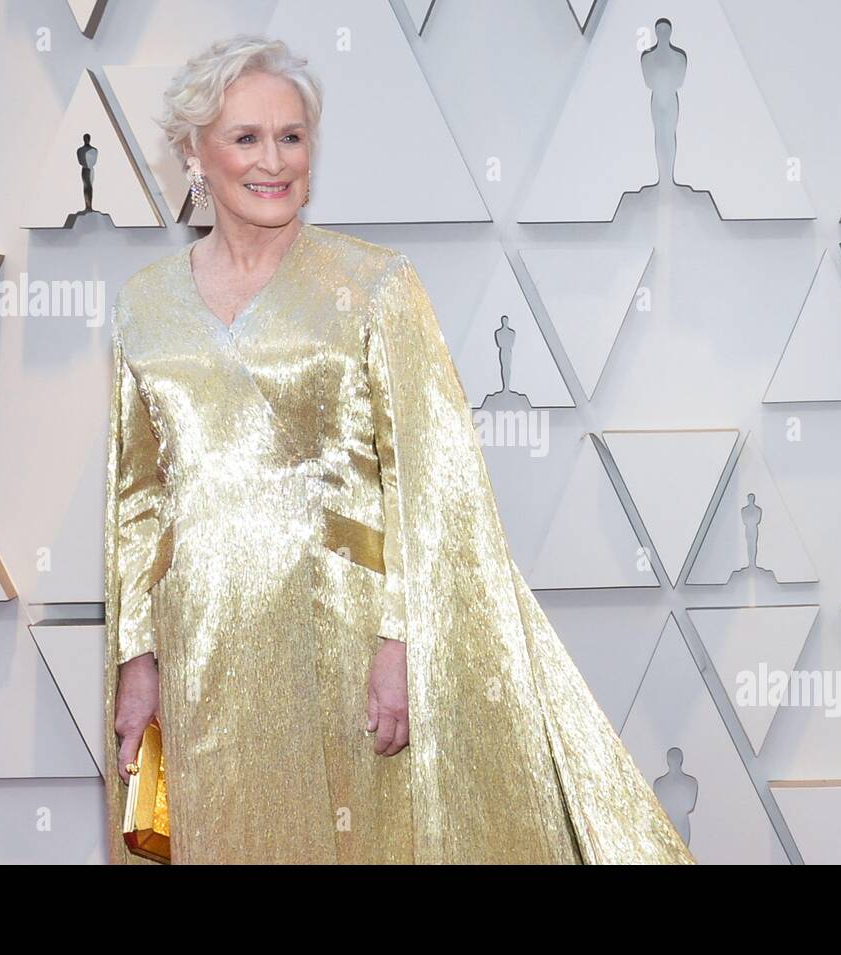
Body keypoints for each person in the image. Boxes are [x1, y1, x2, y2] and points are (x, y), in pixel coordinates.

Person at [103, 33, 694, 864]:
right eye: (246, 137)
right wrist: (137, 653)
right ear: (194, 152)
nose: (274, 159)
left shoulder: (373, 283)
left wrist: (405, 641)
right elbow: (139, 495)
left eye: (292, 136)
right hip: (204, 649)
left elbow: (434, 478)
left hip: (343, 642)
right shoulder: (144, 305)